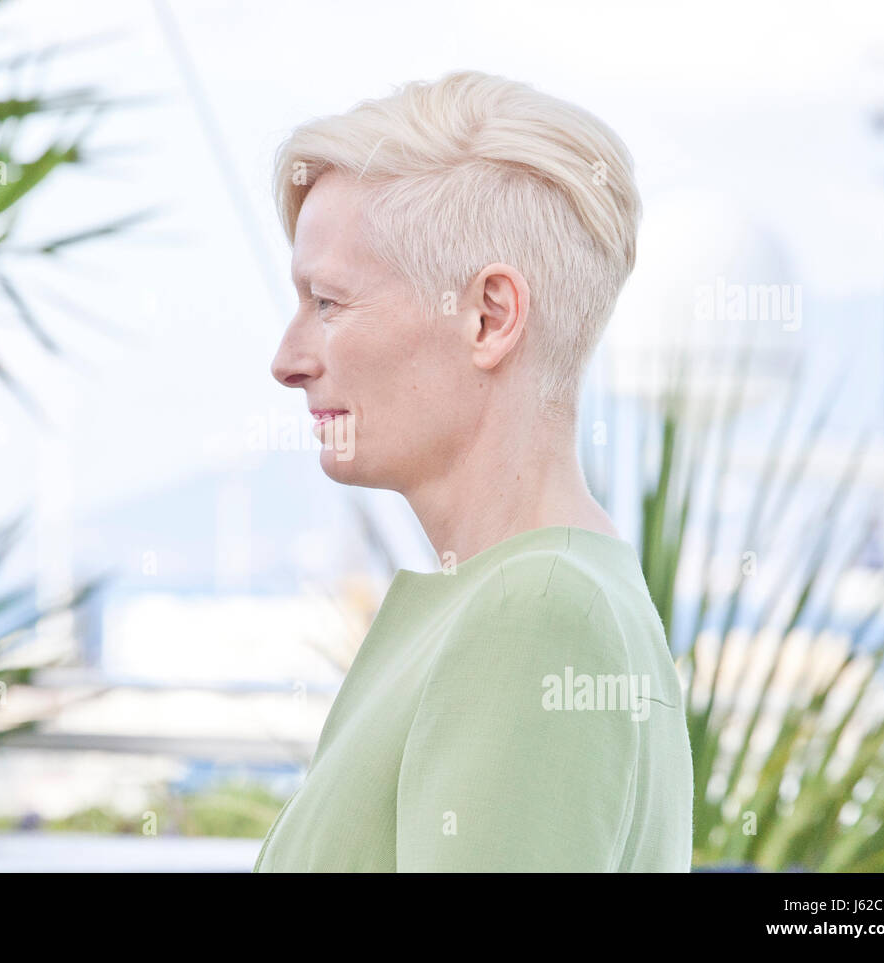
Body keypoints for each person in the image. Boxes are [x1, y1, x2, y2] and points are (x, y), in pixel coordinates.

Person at [256, 70, 693, 872]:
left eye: (328, 302)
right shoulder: (555, 596)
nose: (288, 361)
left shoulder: (537, 614)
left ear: (489, 316)